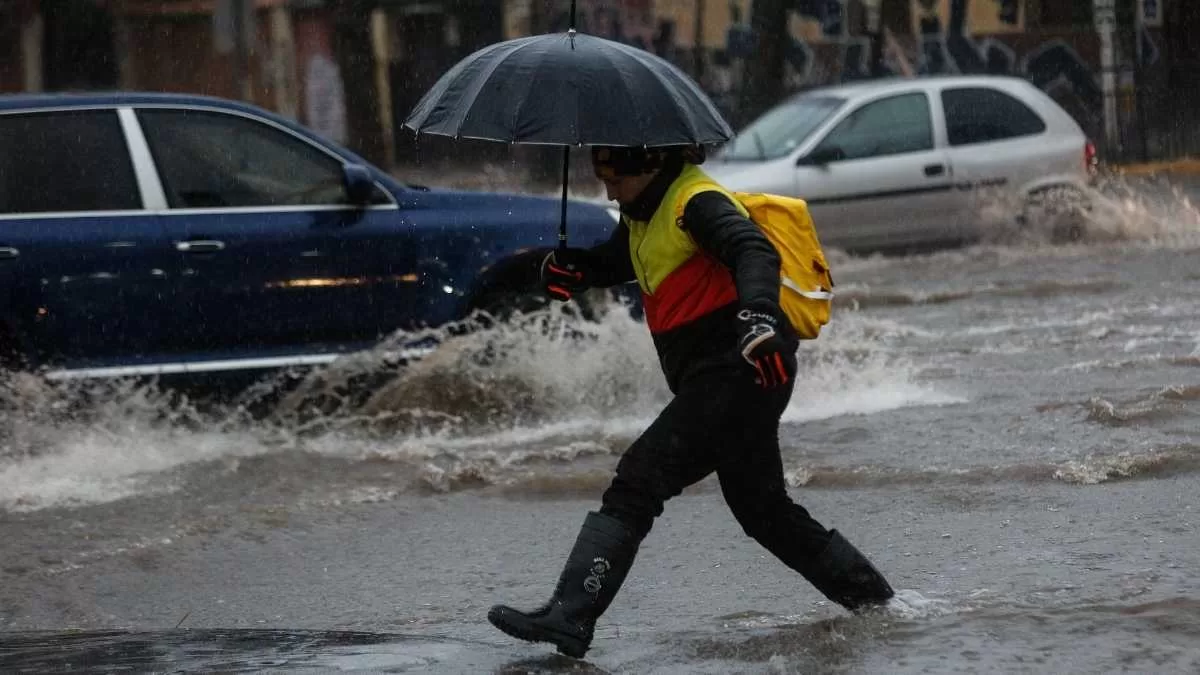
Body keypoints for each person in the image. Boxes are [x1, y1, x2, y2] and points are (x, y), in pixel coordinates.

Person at [486, 145, 895, 659]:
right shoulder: (643, 209)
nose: (607, 189)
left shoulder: (695, 202)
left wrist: (758, 317)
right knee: (764, 512)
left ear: (650, 163)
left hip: (740, 371)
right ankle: (878, 604)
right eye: (599, 175)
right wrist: (574, 268)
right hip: (724, 380)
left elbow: (753, 250)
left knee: (638, 480)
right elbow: (621, 260)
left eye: (614, 177)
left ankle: (570, 616)